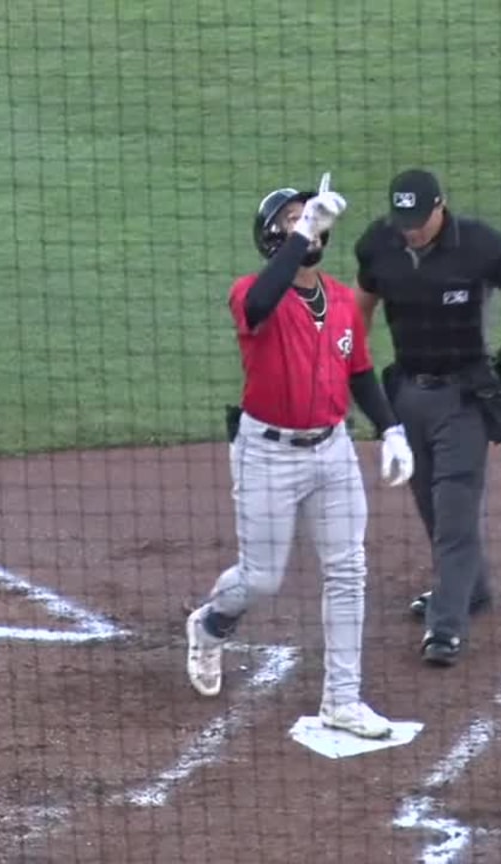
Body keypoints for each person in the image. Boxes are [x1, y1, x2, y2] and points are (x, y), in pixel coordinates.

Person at [184, 173, 415, 740]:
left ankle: (342, 699)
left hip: (332, 451)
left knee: (348, 571)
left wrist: (392, 431)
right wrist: (302, 231)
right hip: (267, 455)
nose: (304, 226)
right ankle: (211, 625)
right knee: (262, 578)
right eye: (289, 220)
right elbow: (264, 299)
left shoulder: (339, 299)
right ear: (272, 237)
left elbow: (358, 371)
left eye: (307, 217)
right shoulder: (250, 292)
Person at [352, 169, 501, 667]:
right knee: (428, 503)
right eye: (404, 221)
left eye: (420, 220)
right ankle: (472, 588)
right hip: (405, 397)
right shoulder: (378, 245)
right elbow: (359, 312)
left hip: (465, 398)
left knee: (455, 511)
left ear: (441, 206)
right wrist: (347, 370)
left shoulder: (479, 246)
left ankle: (444, 627)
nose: (412, 230)